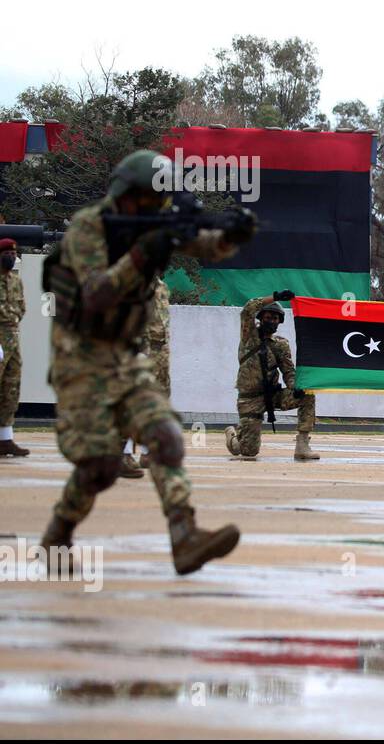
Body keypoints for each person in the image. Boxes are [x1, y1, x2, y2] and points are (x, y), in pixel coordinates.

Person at [37, 149, 255, 574]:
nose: (157, 206)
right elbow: (97, 293)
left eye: (162, 199)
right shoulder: (90, 227)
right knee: (100, 465)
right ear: (126, 194)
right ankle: (56, 535)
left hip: (125, 356)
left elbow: (204, 246)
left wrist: (231, 234)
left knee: (167, 437)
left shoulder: (156, 224)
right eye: (149, 199)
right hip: (81, 359)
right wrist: (142, 254)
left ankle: (184, 537)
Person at [225, 293, 319, 461]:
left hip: (273, 396)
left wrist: (295, 387)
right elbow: (248, 309)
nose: (272, 321)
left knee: (308, 394)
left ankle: (302, 444)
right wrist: (275, 297)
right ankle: (233, 436)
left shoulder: (280, 344)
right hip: (250, 400)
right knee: (248, 451)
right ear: (261, 318)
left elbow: (288, 371)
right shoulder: (249, 336)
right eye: (268, 317)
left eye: (276, 318)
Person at [122, 277, 171, 477]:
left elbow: (162, 324)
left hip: (160, 356)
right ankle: (124, 453)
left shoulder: (162, 287)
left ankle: (148, 453)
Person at [0, 236, 30, 457]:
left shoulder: (15, 280)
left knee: (11, 386)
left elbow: (21, 307)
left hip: (13, 335)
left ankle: (5, 438)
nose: (11, 257)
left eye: (13, 254)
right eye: (6, 254)